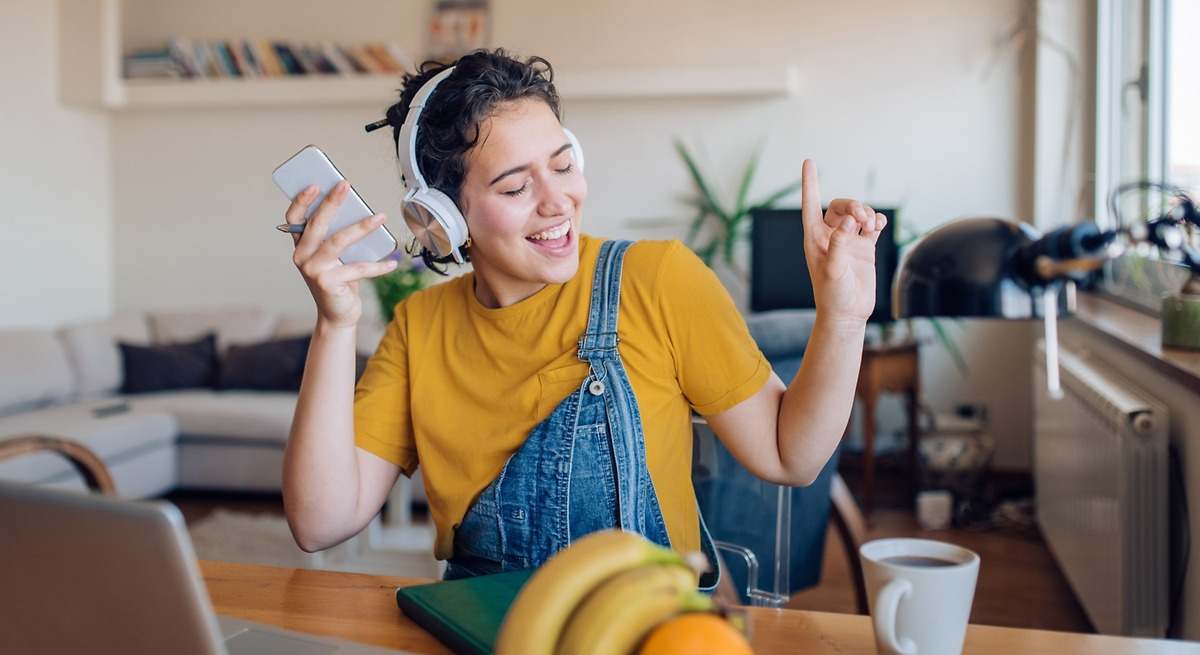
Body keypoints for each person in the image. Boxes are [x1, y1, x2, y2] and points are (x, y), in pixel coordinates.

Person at [280, 49, 886, 585]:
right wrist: (335, 323)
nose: (558, 201)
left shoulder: (658, 279)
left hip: (648, 630)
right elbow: (318, 523)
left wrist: (844, 315)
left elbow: (789, 457)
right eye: (515, 188)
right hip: (483, 631)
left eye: (563, 164)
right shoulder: (420, 328)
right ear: (442, 218)